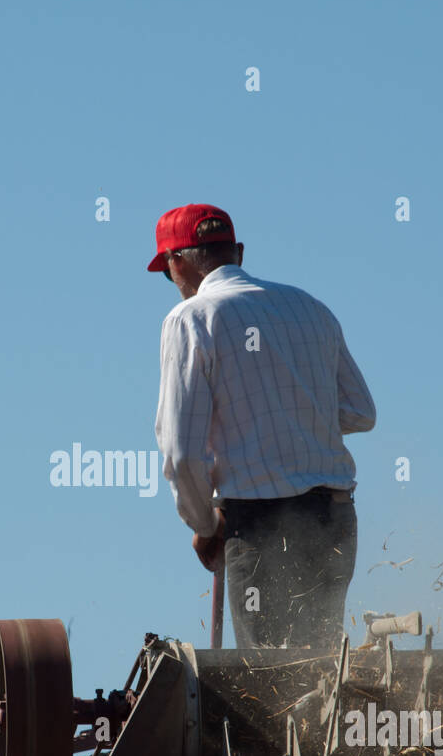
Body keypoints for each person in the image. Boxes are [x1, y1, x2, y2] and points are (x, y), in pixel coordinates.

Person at [150, 204, 376, 651]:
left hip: (261, 526)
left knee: (271, 682)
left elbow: (181, 452)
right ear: (237, 251)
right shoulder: (310, 308)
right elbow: (359, 411)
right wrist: (292, 423)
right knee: (322, 667)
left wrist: (205, 524)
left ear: (178, 262)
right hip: (334, 518)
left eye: (167, 271)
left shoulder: (191, 318)